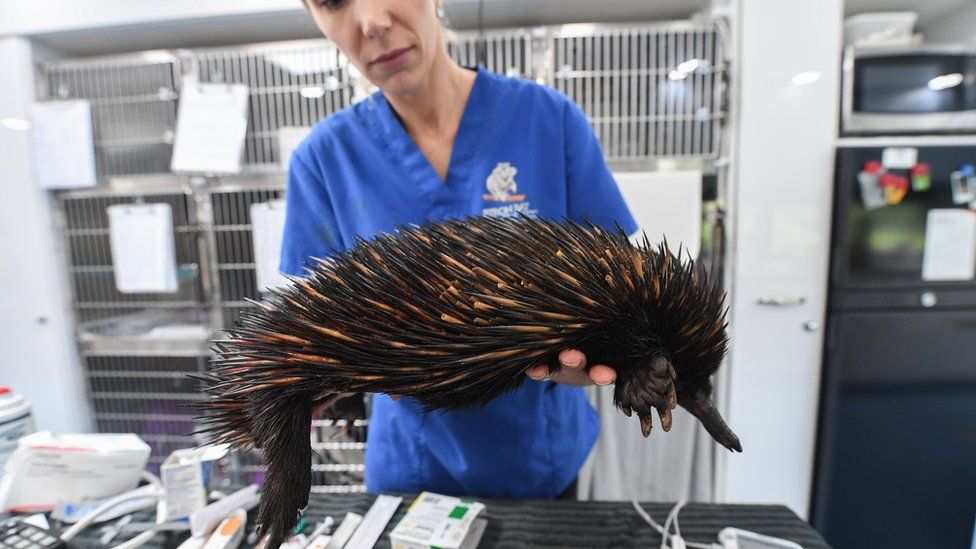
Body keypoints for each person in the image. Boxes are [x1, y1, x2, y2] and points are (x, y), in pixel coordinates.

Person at [280, 0, 639, 499]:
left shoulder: (549, 122)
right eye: (332, 1)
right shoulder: (323, 161)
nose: (372, 22)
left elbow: (616, 293)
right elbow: (316, 331)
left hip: (540, 456)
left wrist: (609, 354)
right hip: (411, 468)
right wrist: (310, 383)